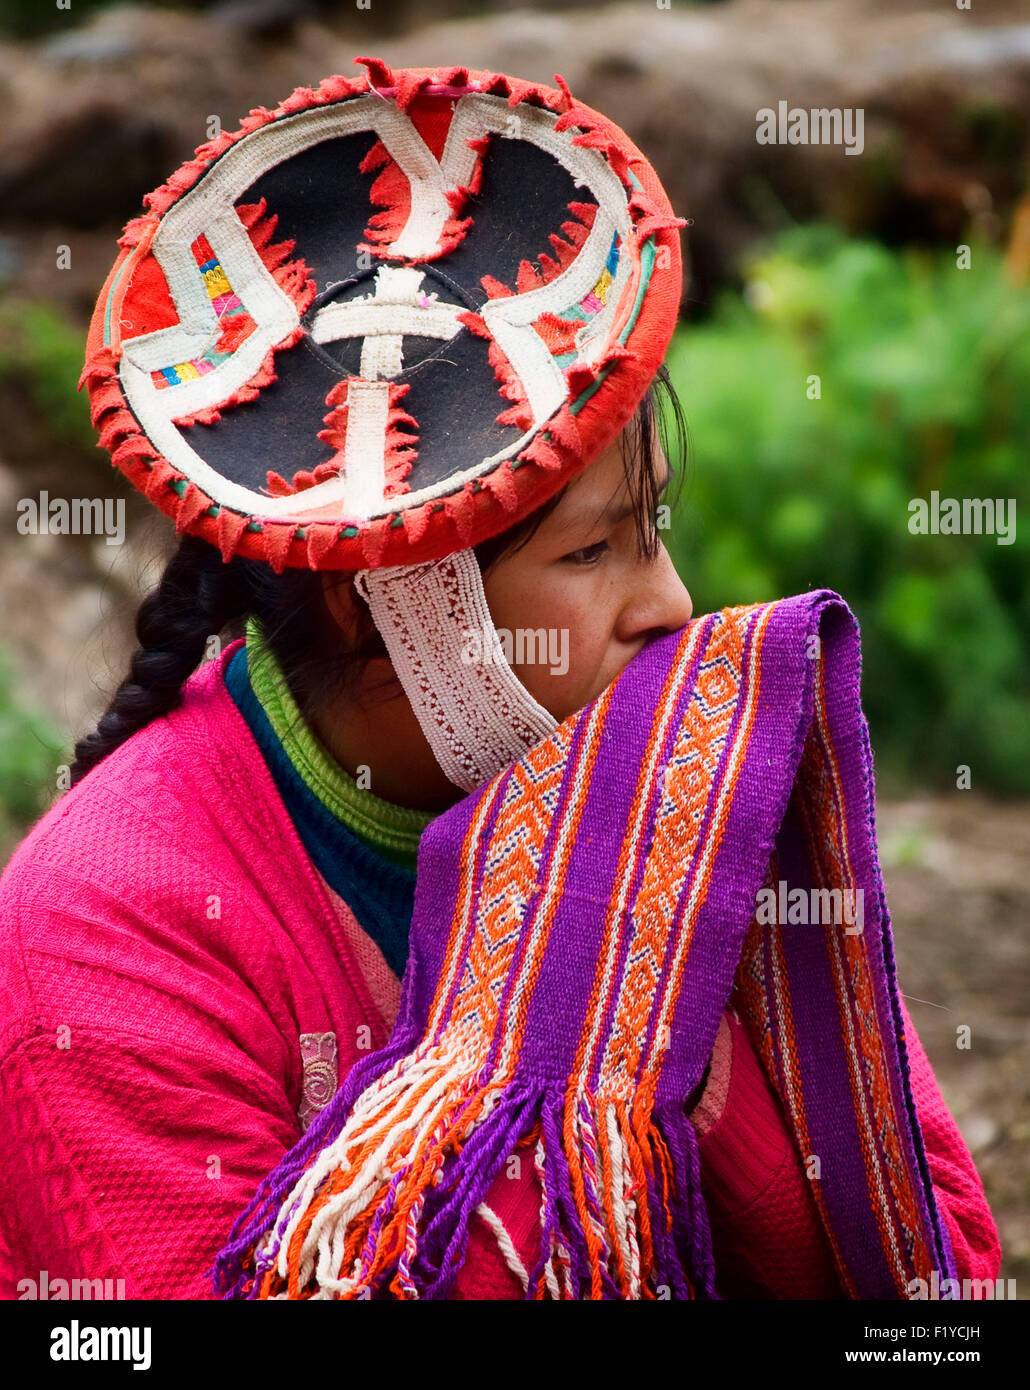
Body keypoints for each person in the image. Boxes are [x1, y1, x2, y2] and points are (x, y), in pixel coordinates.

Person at [0, 58, 1000, 1301]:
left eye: (654, 528)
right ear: (377, 603)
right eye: (592, 552)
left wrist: (681, 951)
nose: (672, 606)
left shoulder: (686, 794)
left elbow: (932, 1271)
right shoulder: (106, 939)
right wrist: (581, 1021)